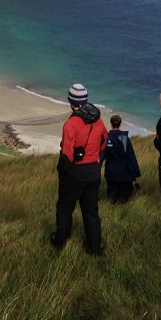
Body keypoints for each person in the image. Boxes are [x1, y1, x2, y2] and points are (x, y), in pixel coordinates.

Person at [50, 83, 108, 255]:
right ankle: (94, 247)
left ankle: (60, 241)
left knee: (65, 208)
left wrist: (61, 171)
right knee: (91, 211)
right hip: (93, 172)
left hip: (75, 173)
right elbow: (105, 141)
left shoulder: (71, 124)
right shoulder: (98, 120)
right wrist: (96, 157)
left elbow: (67, 154)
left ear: (70, 101)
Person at [102, 114, 141, 203]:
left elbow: (102, 156)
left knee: (111, 197)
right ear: (120, 124)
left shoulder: (107, 138)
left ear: (111, 124)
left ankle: (113, 212)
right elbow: (131, 157)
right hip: (124, 174)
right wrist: (135, 175)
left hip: (110, 173)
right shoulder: (124, 139)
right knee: (123, 196)